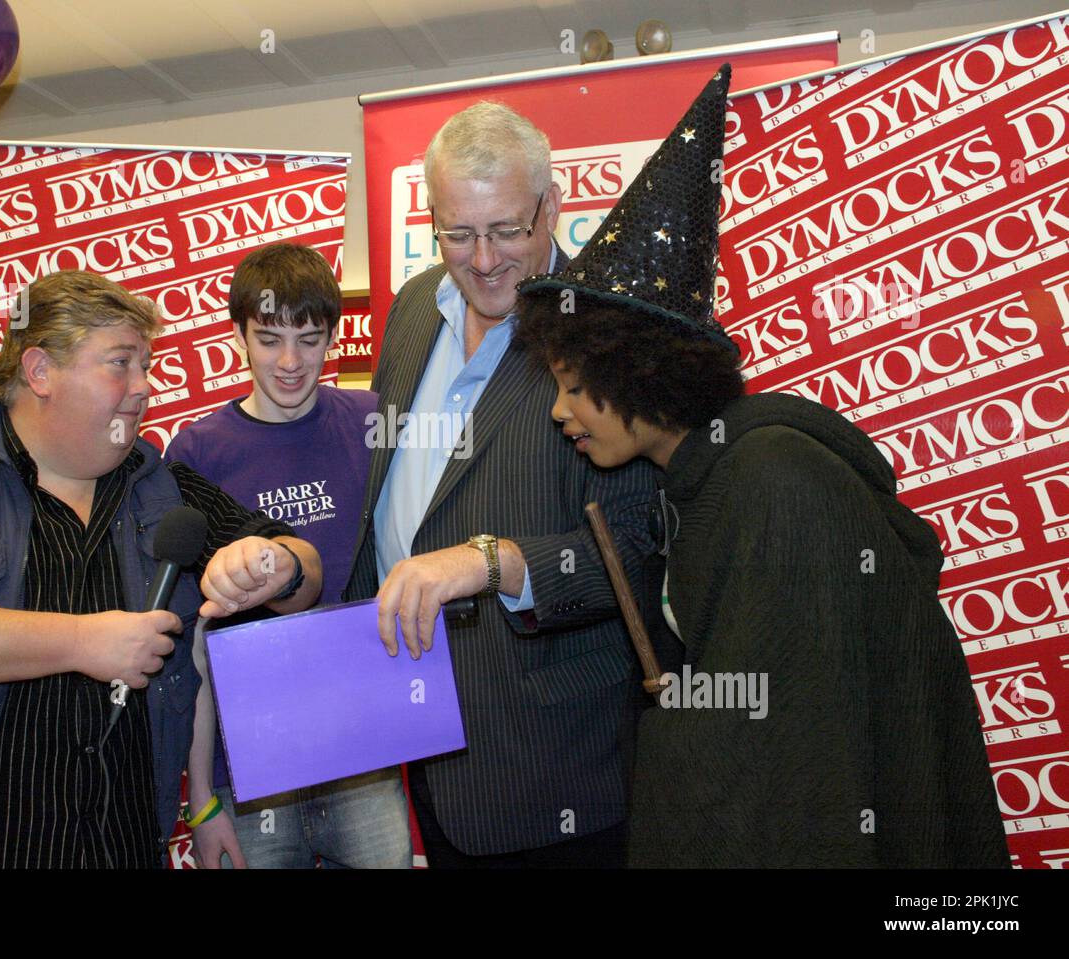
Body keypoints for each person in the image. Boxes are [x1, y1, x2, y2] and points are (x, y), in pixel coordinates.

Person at [515, 66, 1009, 867]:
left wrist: (673, 729)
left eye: (573, 387)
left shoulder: (772, 480)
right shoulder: (705, 481)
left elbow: (796, 748)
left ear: (634, 374)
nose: (559, 411)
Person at [0, 270, 322, 869]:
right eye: (121, 363)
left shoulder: (162, 486)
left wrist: (278, 565)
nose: (144, 386)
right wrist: (83, 642)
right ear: (40, 372)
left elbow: (301, 566)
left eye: (145, 365)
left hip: (125, 847)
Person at [342, 102, 676, 867]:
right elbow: (396, 496)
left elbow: (640, 548)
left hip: (558, 771)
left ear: (552, 206)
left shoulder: (611, 331)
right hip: (425, 743)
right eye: (458, 233)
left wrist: (490, 561)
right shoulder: (415, 308)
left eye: (507, 230)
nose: (484, 259)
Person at [166, 242, 410, 869]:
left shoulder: (373, 422)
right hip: (248, 765)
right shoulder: (196, 452)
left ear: (334, 335)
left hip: (363, 748)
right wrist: (202, 797)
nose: (291, 362)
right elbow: (190, 637)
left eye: (309, 338)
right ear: (239, 337)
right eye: (269, 338)